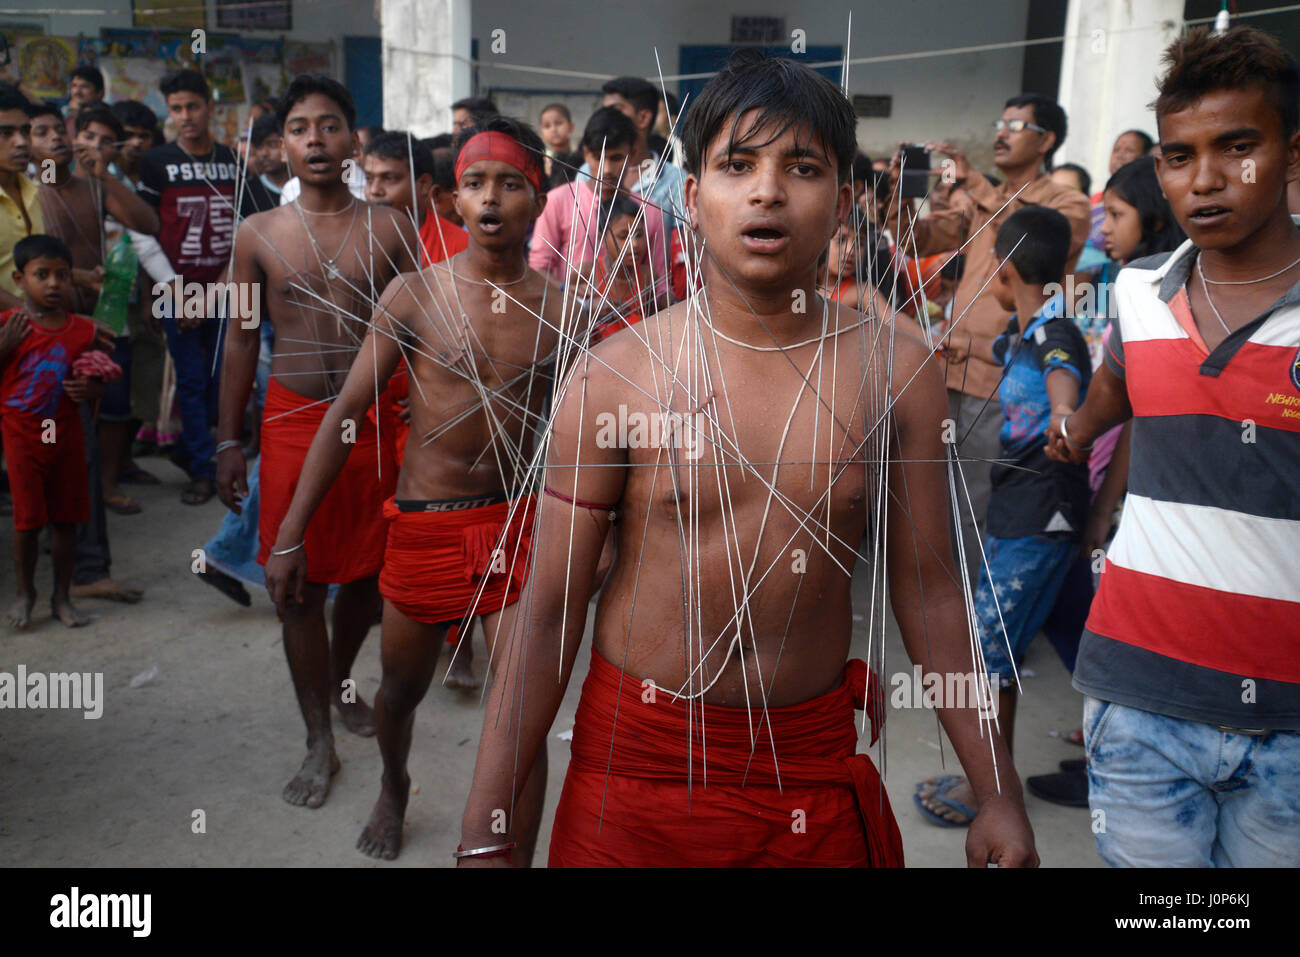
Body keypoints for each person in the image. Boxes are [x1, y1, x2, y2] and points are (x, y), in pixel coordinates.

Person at [457, 51, 1037, 869]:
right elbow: (548, 612)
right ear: (692, 197)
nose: (767, 191)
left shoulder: (897, 372)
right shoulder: (614, 375)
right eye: (737, 165)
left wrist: (998, 789)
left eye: (800, 167)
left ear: (842, 201)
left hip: (806, 764)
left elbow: (933, 594)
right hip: (638, 766)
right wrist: (488, 823)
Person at [264, 115, 562, 863]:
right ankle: (394, 785)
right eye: (474, 184)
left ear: (537, 197)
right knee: (399, 693)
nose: (491, 199)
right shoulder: (414, 294)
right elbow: (343, 416)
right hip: (425, 523)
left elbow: (584, 441)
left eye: (510, 184)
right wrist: (291, 533)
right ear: (452, 199)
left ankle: (502, 846)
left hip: (514, 524)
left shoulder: (565, 309)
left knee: (520, 705)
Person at [1046, 26, 1300, 867]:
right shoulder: (1140, 292)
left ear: (1291, 154)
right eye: (1181, 156)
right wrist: (1073, 431)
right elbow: (1121, 393)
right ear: (1160, 171)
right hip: (1138, 692)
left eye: (1238, 147)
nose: (1207, 179)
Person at [216, 73, 420, 810]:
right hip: (292, 420)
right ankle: (317, 739)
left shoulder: (394, 227)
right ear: (283, 144)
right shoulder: (256, 235)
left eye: (329, 125)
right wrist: (226, 441)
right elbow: (241, 341)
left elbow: (422, 334)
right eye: (299, 128)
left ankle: (340, 684)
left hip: (371, 426)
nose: (315, 140)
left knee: (365, 578)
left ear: (353, 138)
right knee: (293, 584)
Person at [1025, 154, 1187, 809]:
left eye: (1116, 214)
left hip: (1126, 485)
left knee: (1123, 628)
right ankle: (1104, 750)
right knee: (1093, 618)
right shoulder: (1129, 280)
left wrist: (1103, 504)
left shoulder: (1150, 290)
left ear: (1152, 216)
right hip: (1107, 473)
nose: (1103, 227)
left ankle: (1112, 765)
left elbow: (1135, 412)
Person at [919, 206, 1090, 826]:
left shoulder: (1053, 333)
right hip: (1037, 512)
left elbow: (1062, 378)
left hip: (1039, 516)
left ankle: (990, 789)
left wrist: (1066, 419)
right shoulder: (1028, 329)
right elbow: (995, 352)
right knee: (1081, 640)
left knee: (988, 652)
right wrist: (947, 341)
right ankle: (1111, 759)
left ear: (1003, 270)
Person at [885, 95, 1091, 590]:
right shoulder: (979, 199)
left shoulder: (1068, 204)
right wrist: (900, 194)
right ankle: (937, 596)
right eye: (1000, 122)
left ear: (1047, 141)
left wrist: (974, 181)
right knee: (933, 492)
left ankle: (979, 611)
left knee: (978, 499)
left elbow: (1029, 233)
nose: (1002, 132)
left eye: (1017, 125)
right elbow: (914, 240)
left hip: (999, 378)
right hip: (945, 366)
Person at [136, 69, 252, 505]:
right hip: (174, 286)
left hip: (234, 286)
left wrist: (214, 294)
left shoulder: (232, 159)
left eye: (193, 106)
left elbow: (246, 231)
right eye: (176, 109)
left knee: (229, 377)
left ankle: (199, 452)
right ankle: (204, 470)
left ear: (210, 108)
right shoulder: (157, 161)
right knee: (191, 380)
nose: (185, 116)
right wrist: (167, 292)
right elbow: (142, 232)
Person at [1, 235, 102, 629]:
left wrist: (92, 389)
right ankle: (26, 594)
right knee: (27, 520)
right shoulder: (10, 326)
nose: (54, 284)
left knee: (66, 518)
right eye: (41, 275)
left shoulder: (83, 331)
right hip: (22, 434)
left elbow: (99, 377)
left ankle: (62, 596)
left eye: (62, 275)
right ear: (19, 279)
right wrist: (4, 345)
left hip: (64, 432)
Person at [529, 107, 666, 286]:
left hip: (633, 313)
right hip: (569, 311)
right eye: (598, 158)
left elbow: (659, 282)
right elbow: (538, 269)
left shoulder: (650, 211)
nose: (606, 169)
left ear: (631, 155)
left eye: (616, 158)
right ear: (586, 154)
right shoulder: (558, 201)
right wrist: (572, 299)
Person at [598, 77, 686, 237]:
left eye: (615, 110)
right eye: (604, 111)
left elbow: (682, 249)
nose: (605, 119)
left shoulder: (676, 181)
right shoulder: (587, 173)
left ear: (643, 118)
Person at [588, 192, 669, 342]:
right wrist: (586, 307)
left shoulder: (647, 277)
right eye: (623, 236)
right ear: (601, 238)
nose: (635, 244)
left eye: (638, 235)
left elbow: (650, 325)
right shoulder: (588, 273)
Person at [0, 88, 44, 311]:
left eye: (25, 131)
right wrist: (37, 317)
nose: (21, 142)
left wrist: (84, 278)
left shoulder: (37, 191)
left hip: (33, 338)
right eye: (6, 133)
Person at [1086, 129, 1155, 249]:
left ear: (1145, 157)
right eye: (1116, 150)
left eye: (1129, 150)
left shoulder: (1146, 199)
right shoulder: (1095, 200)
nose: (1119, 155)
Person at [538, 102, 581, 189]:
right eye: (547, 126)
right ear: (541, 132)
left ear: (571, 126)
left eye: (558, 123)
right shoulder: (542, 160)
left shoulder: (579, 157)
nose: (553, 129)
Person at [64, 65, 104, 142]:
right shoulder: (64, 114)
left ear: (99, 93)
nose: (77, 91)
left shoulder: (107, 118)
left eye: (84, 86)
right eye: (74, 86)